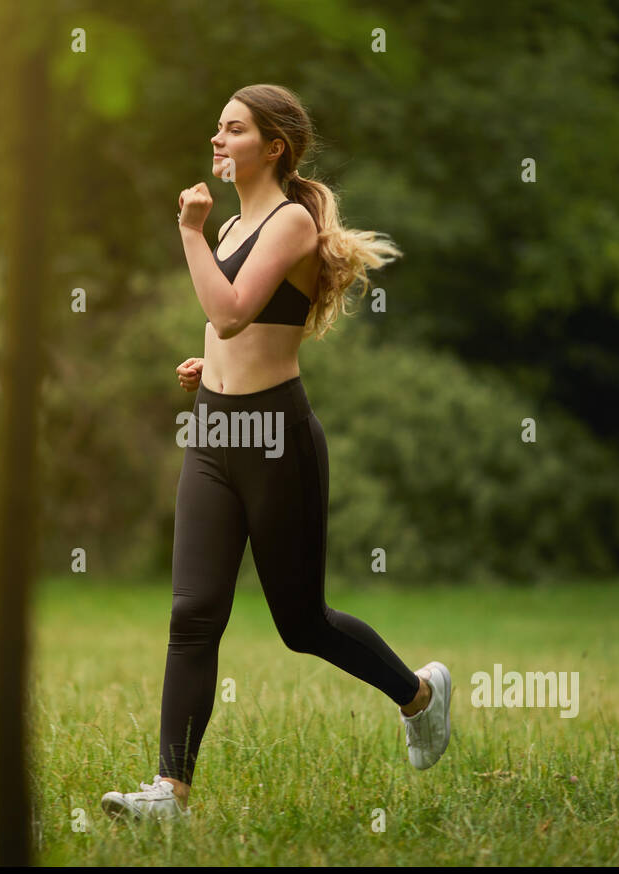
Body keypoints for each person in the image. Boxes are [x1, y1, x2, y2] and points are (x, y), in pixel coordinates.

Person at [101, 84, 451, 823]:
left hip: (274, 436)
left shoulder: (289, 222)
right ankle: (171, 794)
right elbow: (228, 332)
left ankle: (419, 695)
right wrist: (207, 374)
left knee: (303, 624)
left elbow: (227, 314)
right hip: (213, 431)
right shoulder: (231, 228)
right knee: (193, 613)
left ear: (275, 146)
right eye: (217, 131)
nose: (217, 142)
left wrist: (189, 232)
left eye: (233, 130)